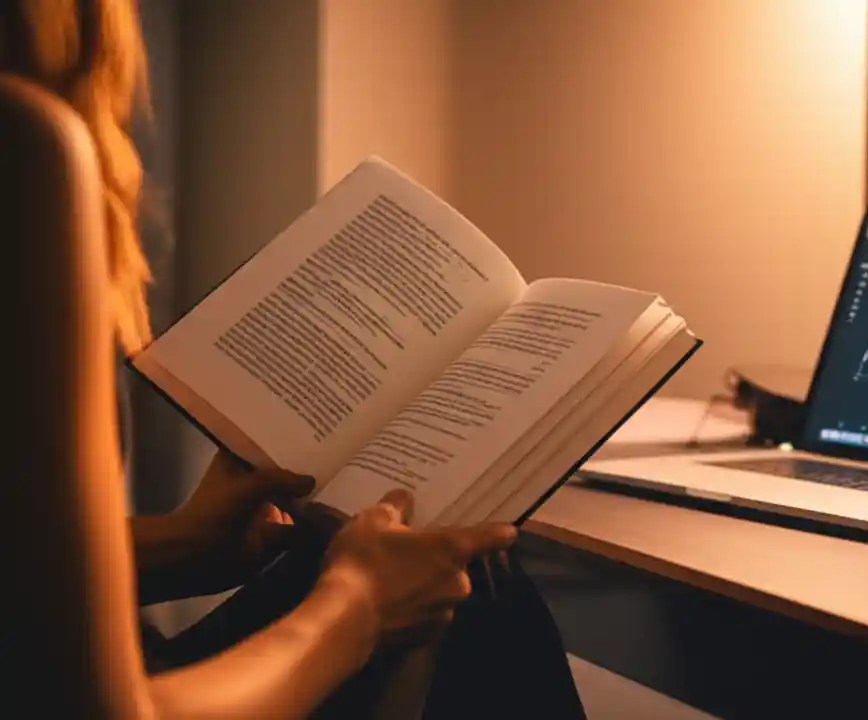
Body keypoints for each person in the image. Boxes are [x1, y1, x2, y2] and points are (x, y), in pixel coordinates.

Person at [3, 1, 585, 716]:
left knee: (445, 570)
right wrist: (356, 608)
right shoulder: (24, 142)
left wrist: (177, 545)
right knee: (471, 582)